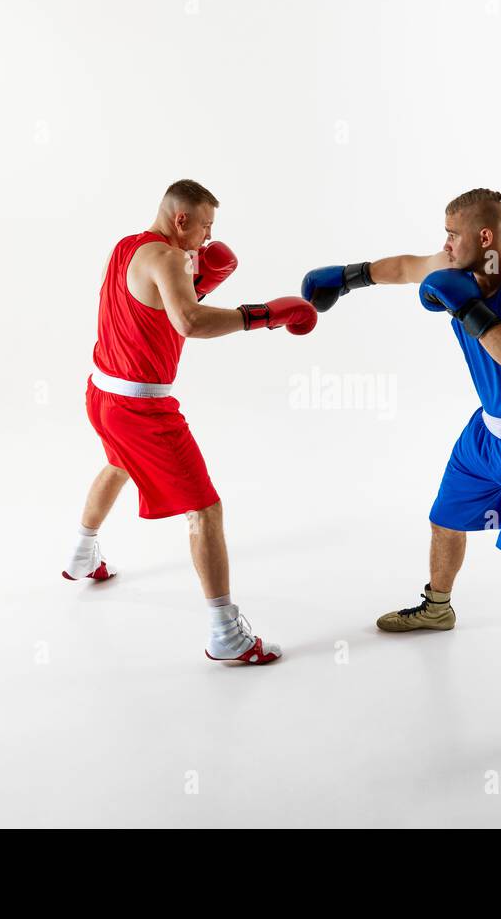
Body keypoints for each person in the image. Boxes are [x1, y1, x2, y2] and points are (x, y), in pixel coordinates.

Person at [301, 189, 501, 733]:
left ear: (485, 238)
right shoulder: (456, 266)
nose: (444, 245)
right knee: (444, 521)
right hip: (486, 434)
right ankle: (438, 606)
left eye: (453, 235)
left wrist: (467, 307)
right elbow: (406, 268)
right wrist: (347, 276)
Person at [66, 179, 317, 665]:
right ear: (181, 220)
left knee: (118, 464)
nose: (207, 239)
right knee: (204, 510)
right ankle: (227, 635)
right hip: (141, 408)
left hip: (101, 393)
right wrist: (263, 315)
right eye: (205, 226)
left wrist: (197, 281)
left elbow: (146, 309)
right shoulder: (168, 259)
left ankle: (81, 555)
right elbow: (190, 323)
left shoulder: (126, 248)